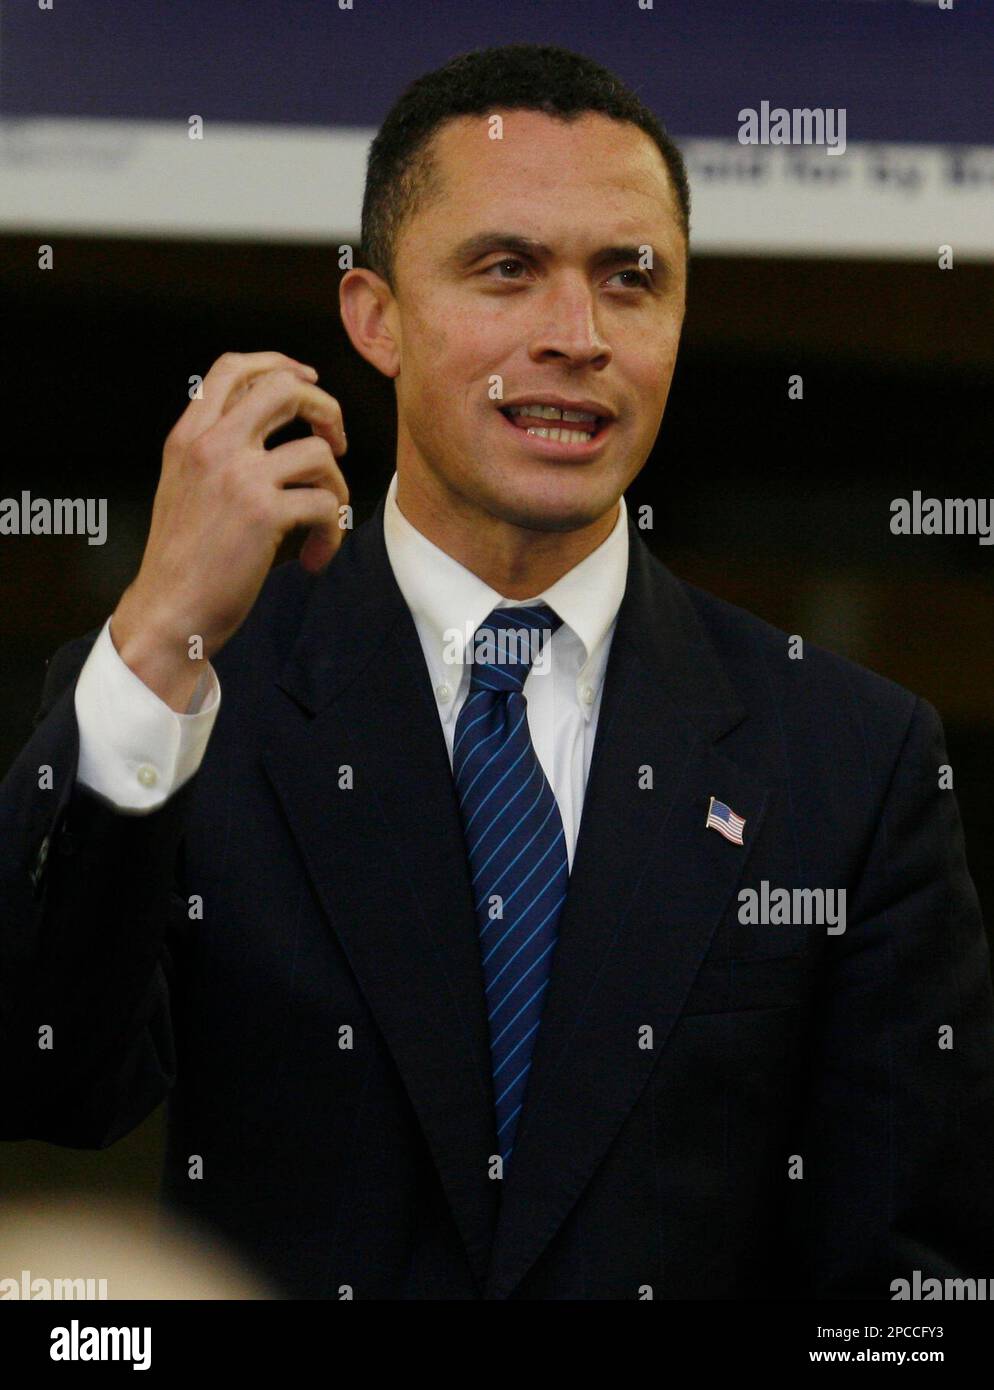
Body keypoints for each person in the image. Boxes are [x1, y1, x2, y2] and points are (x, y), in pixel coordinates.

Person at [2, 43, 993, 1301]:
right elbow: (40, 1075)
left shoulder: (853, 757)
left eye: (629, 280)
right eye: (507, 270)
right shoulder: (203, 695)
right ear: (375, 317)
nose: (575, 337)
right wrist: (153, 640)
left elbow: (913, 1279)